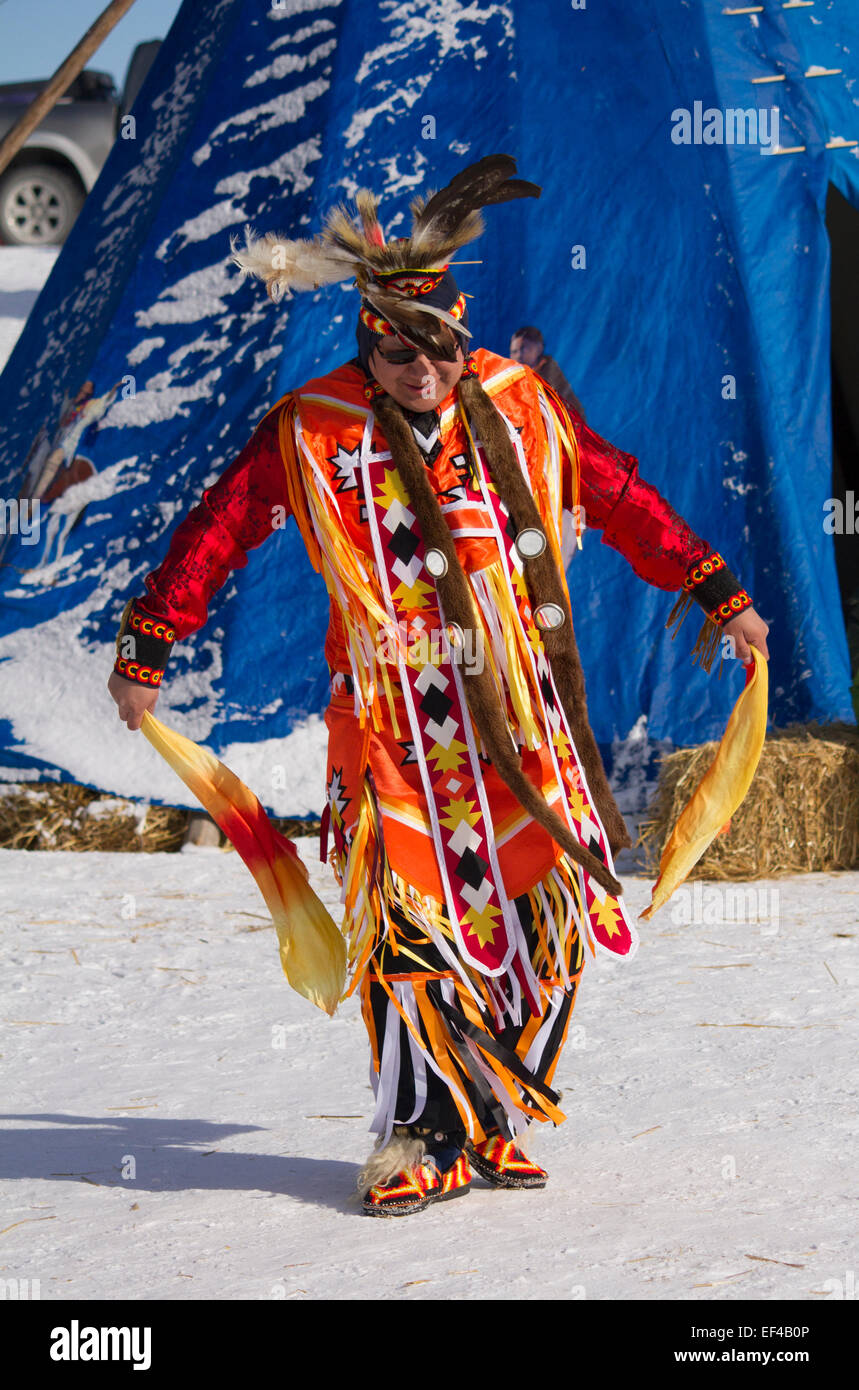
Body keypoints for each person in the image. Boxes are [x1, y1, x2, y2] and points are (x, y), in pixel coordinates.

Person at [107, 155, 769, 1218]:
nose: (421, 369)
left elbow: (616, 490)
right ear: (368, 341)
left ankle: (489, 1115)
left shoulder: (519, 406)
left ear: (463, 337)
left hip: (518, 723)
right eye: (398, 350)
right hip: (393, 730)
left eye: (439, 349)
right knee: (408, 933)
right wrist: (151, 642)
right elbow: (221, 527)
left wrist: (716, 591)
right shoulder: (312, 427)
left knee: (529, 916)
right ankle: (418, 1134)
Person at [509, 325, 587, 420]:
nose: (519, 355)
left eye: (524, 349)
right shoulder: (513, 376)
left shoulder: (549, 377)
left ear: (539, 348)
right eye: (514, 351)